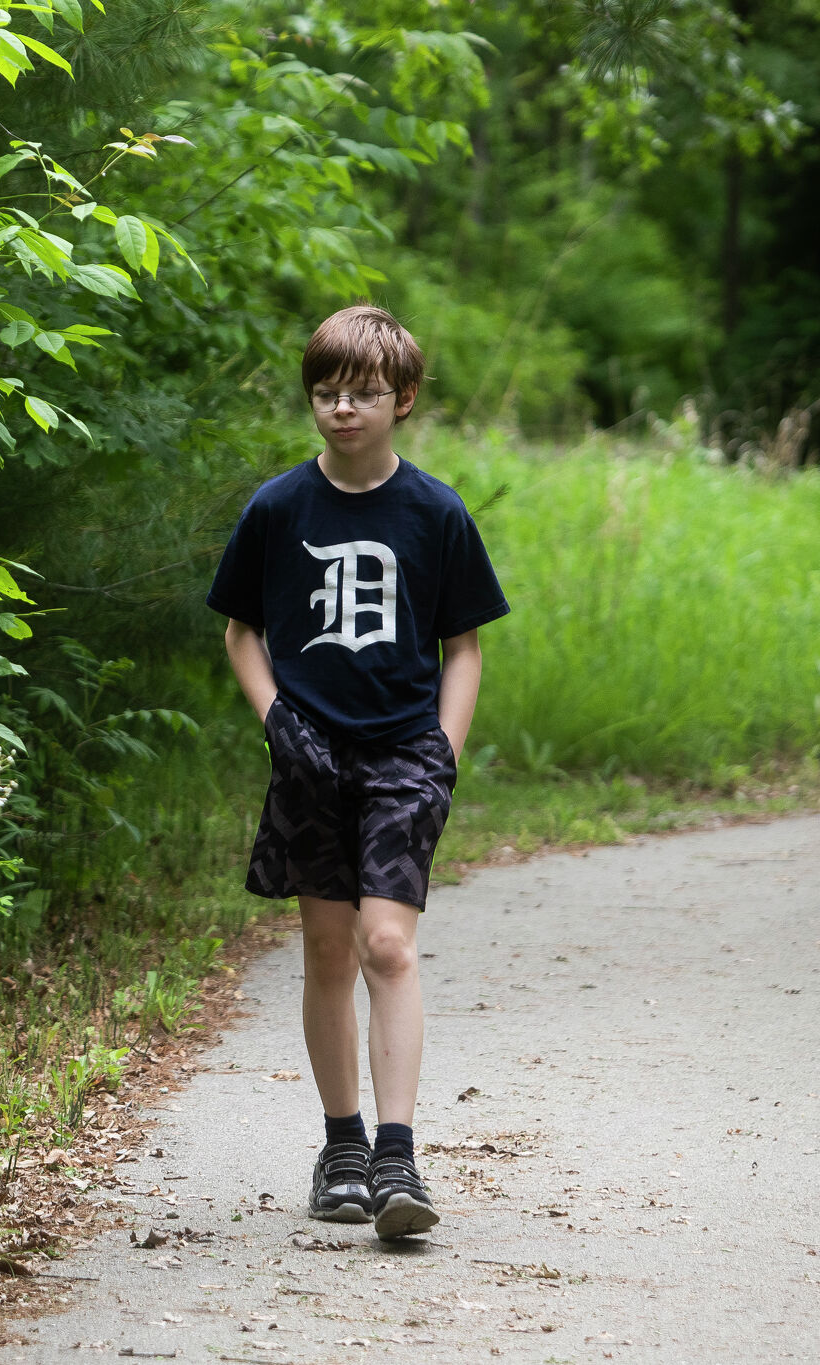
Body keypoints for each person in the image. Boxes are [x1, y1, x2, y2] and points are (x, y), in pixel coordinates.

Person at [205, 304, 510, 1241]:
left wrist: (445, 749)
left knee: (389, 944)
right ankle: (341, 1146)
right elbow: (241, 631)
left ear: (402, 399)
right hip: (310, 751)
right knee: (330, 950)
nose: (342, 409)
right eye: (327, 393)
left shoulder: (436, 511)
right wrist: (275, 719)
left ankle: (397, 1154)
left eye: (364, 393)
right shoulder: (278, 506)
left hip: (404, 750)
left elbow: (464, 647)